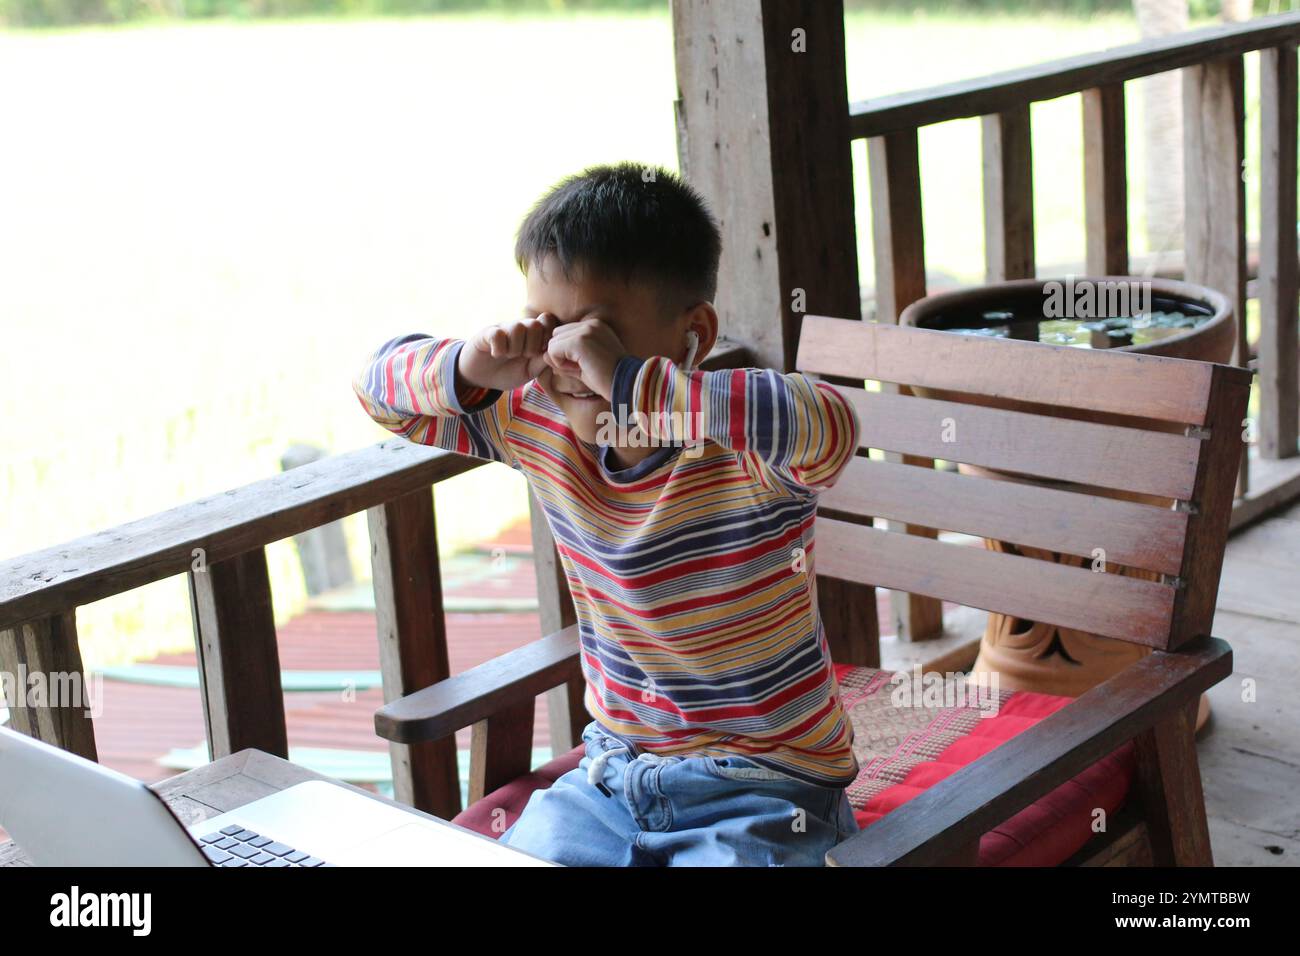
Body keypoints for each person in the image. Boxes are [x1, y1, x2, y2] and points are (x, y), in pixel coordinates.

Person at [352, 161, 862, 866]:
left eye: (596, 333)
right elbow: (378, 389)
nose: (565, 360)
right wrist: (470, 367)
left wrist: (629, 383)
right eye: (549, 330)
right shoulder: (535, 420)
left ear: (694, 334)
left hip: (770, 789)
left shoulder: (739, 446)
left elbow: (829, 424)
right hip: (610, 778)